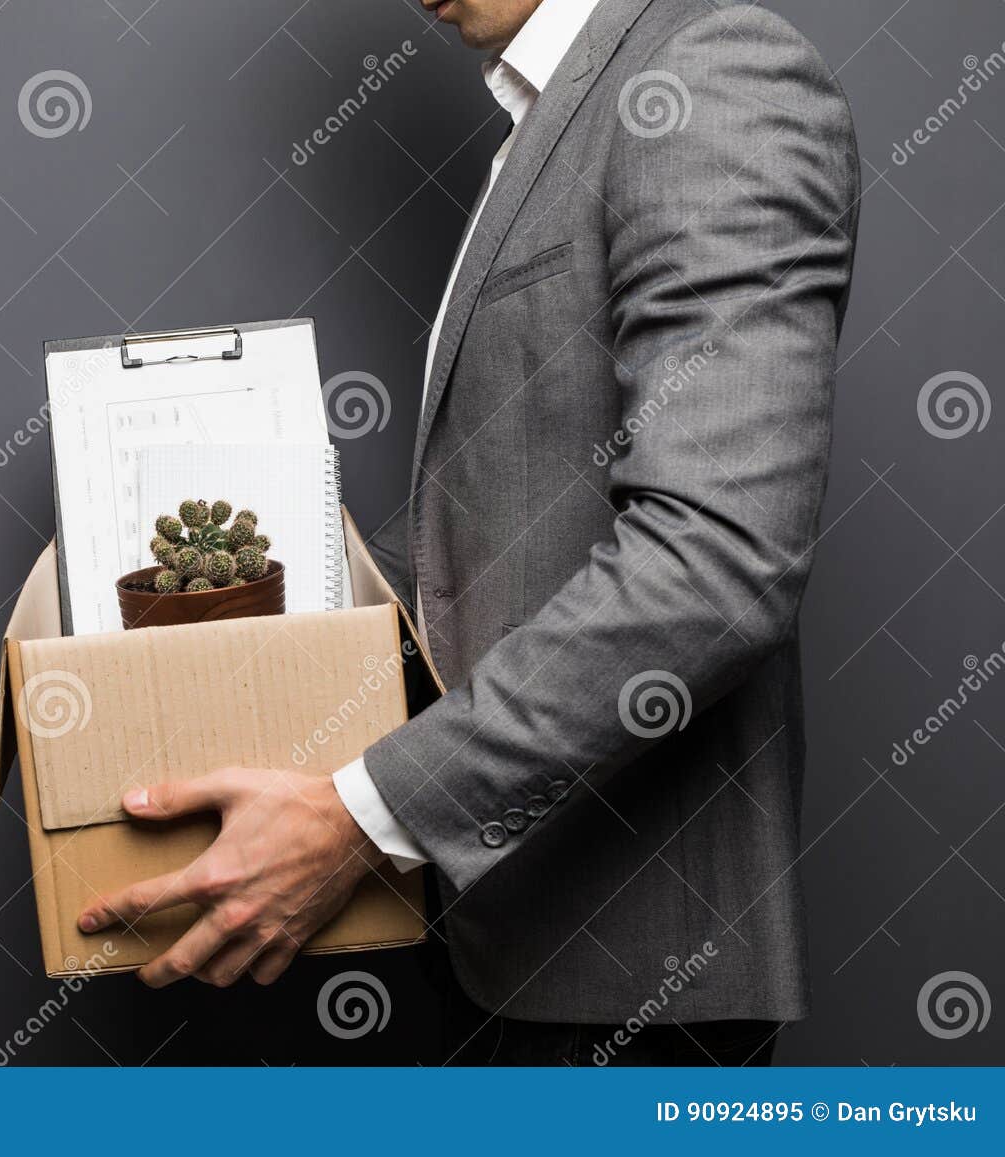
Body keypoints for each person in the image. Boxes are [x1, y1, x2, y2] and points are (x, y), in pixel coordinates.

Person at [78, 0, 860, 1065]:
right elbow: (505, 529)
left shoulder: (710, 76)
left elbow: (716, 564)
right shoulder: (552, 111)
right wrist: (244, 602)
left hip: (632, 975)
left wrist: (362, 816)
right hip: (497, 937)